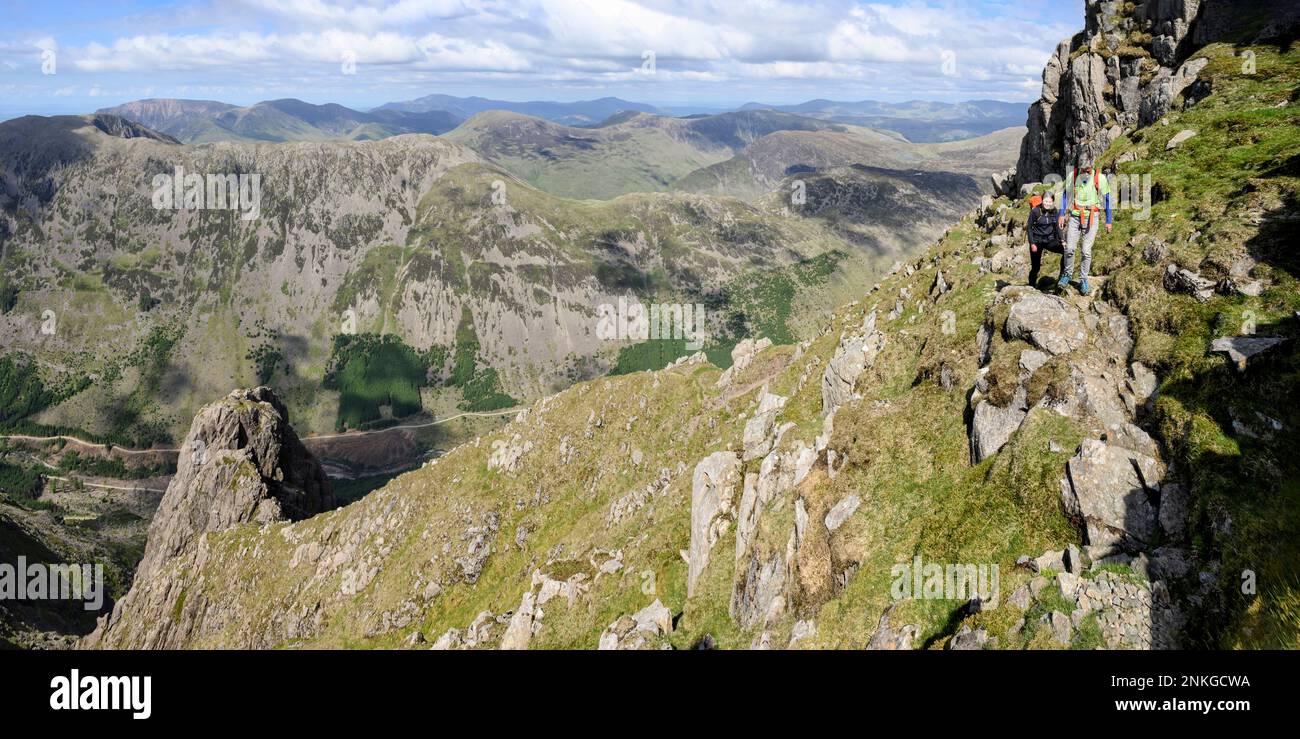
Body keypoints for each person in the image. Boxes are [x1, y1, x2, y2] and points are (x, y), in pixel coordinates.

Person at [1058, 158, 1112, 296]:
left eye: (1088, 170)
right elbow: (1066, 195)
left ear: (1092, 167)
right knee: (1070, 248)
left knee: (1086, 251)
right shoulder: (1073, 175)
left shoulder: (1099, 178)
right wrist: (1061, 213)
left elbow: (1107, 198)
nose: (1085, 173)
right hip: (1075, 216)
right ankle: (1067, 274)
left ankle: (1083, 280)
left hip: (1092, 217)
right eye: (1083, 170)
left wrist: (1108, 220)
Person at [1026, 192, 1064, 287]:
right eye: (1045, 201)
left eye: (1049, 202)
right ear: (1042, 200)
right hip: (1037, 241)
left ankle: (1063, 277)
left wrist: (1062, 240)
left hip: (1049, 240)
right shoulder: (1035, 211)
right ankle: (1031, 286)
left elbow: (1057, 226)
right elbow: (1029, 228)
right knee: (1036, 267)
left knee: (1066, 251)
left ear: (1052, 202)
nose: (1047, 203)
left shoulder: (1054, 211)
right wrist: (1032, 243)